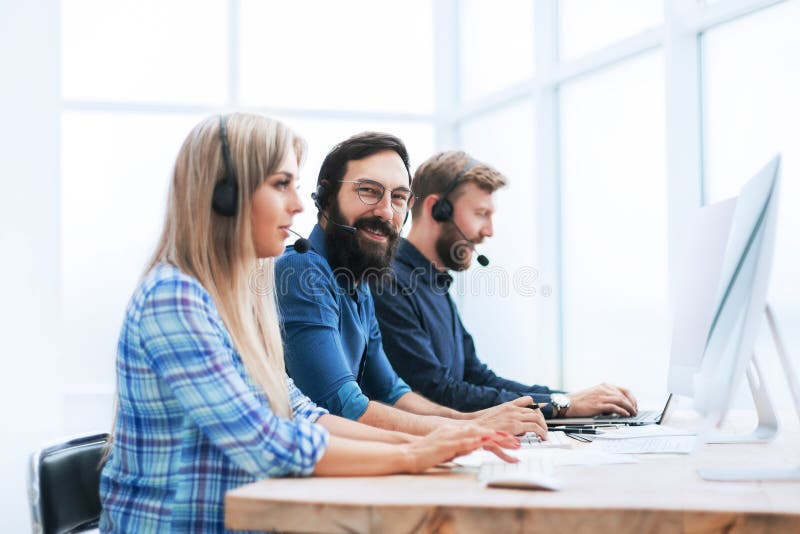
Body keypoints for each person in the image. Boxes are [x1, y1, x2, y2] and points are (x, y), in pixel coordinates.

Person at [99, 115, 517, 533]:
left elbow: (301, 411)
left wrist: (435, 442)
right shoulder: (175, 298)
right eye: (282, 184)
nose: (297, 204)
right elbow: (266, 443)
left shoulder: (241, 298)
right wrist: (416, 452)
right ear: (224, 195)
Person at [275, 132, 548, 437]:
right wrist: (469, 428)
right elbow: (344, 406)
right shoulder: (301, 270)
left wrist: (475, 421)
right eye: (368, 191)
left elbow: (394, 393)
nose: (387, 211)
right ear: (326, 196)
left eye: (399, 197)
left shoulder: (359, 281)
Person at [371, 150, 638, 419]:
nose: (489, 231)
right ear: (437, 210)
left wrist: (566, 398)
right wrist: (560, 405)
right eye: (481, 213)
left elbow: (476, 376)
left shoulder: (433, 283)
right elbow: (437, 392)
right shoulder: (390, 283)